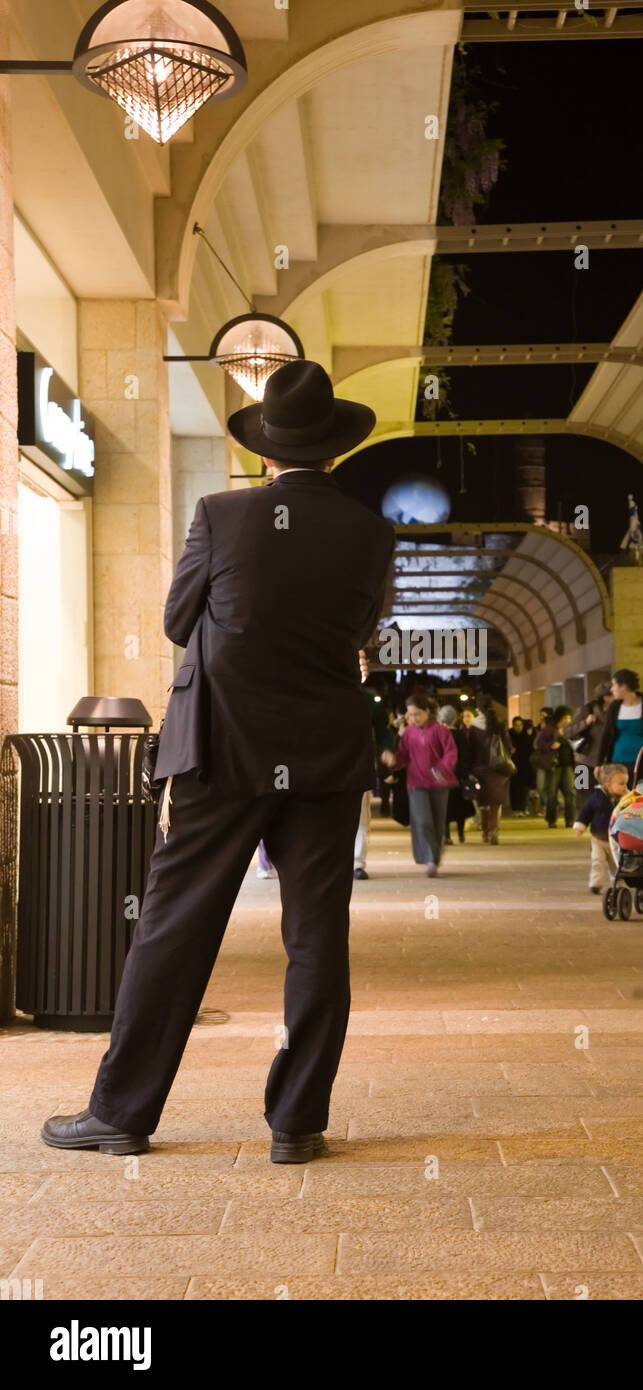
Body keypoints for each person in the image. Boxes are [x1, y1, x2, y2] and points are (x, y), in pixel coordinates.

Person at [41, 359, 394, 1164]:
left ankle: (121, 1113)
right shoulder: (372, 532)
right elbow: (363, 632)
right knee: (317, 938)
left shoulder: (222, 514)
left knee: (172, 928)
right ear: (334, 451)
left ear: (266, 450)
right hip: (327, 757)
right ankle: (297, 1123)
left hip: (222, 749)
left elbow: (174, 621)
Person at [382, 695, 457, 876]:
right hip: (416, 783)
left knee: (438, 823)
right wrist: (393, 761)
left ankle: (434, 859)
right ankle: (429, 858)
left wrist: (442, 769)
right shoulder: (408, 733)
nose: (414, 718)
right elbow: (404, 756)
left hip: (440, 783)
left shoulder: (441, 731)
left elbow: (451, 753)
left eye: (417, 714)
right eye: (410, 715)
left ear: (427, 712)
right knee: (423, 821)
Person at [597, 670, 643, 785]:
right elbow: (606, 735)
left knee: (641, 796)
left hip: (642, 762)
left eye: (614, 685)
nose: (611, 689)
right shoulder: (614, 707)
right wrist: (599, 763)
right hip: (616, 762)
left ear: (623, 686)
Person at [573, 763, 629, 893]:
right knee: (597, 861)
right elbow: (585, 812)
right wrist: (580, 825)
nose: (625, 787)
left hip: (616, 840)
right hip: (598, 838)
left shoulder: (626, 798)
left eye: (626, 783)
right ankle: (596, 883)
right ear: (608, 785)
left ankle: (618, 883)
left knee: (617, 864)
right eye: (621, 784)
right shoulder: (596, 798)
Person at [466, 699, 514, 844]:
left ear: (478, 710)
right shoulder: (499, 724)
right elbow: (508, 746)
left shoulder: (474, 727)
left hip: (480, 768)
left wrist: (469, 768)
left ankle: (485, 832)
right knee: (495, 803)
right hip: (498, 769)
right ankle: (494, 831)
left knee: (483, 803)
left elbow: (470, 749)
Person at [535, 705, 576, 828]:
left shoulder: (572, 731)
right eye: (565, 718)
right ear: (559, 718)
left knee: (570, 793)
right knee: (551, 793)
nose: (567, 721)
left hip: (568, 765)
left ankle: (570, 820)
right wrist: (550, 745)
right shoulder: (549, 729)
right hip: (554, 766)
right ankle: (551, 820)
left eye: (569, 718)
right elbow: (539, 743)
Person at [439, 704, 473, 843]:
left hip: (443, 775)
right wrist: (465, 772)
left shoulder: (439, 734)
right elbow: (466, 756)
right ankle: (460, 834)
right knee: (460, 805)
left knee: (445, 806)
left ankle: (446, 835)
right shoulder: (460, 735)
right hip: (458, 774)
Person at [509, 715, 534, 814]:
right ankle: (515, 808)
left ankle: (522, 808)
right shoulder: (509, 734)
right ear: (513, 725)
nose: (518, 727)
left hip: (525, 765)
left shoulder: (526, 735)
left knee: (523, 788)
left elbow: (530, 748)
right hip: (513, 764)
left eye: (520, 725)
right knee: (514, 788)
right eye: (516, 725)